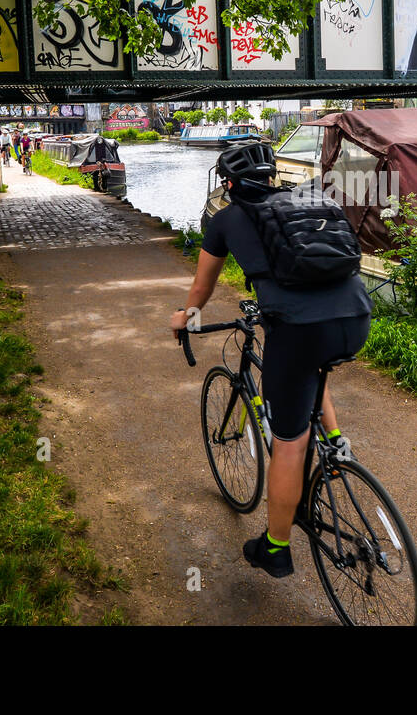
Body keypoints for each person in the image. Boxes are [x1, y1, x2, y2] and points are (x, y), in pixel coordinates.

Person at [170, 141, 372, 578]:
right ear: (271, 176)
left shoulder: (225, 219)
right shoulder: (307, 200)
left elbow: (202, 289)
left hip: (299, 331)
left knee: (290, 442)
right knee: (312, 370)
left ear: (228, 183)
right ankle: (336, 443)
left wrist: (185, 318)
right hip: (356, 319)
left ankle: (276, 547)